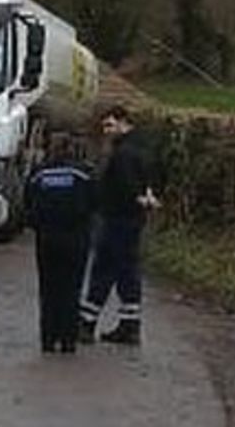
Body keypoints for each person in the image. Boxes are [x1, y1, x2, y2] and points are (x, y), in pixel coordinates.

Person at [79, 105, 158, 346]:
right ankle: (129, 325)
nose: (106, 131)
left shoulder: (122, 152)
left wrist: (137, 197)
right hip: (133, 219)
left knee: (104, 268)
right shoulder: (142, 149)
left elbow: (124, 183)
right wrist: (149, 197)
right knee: (127, 271)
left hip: (117, 218)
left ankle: (86, 323)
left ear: (124, 122)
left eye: (110, 125)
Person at [25, 133, 96, 354]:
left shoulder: (39, 174)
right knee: (71, 288)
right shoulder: (83, 174)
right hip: (76, 238)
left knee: (48, 289)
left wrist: (38, 224)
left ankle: (48, 339)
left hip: (47, 238)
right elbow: (95, 202)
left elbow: (28, 202)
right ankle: (68, 340)